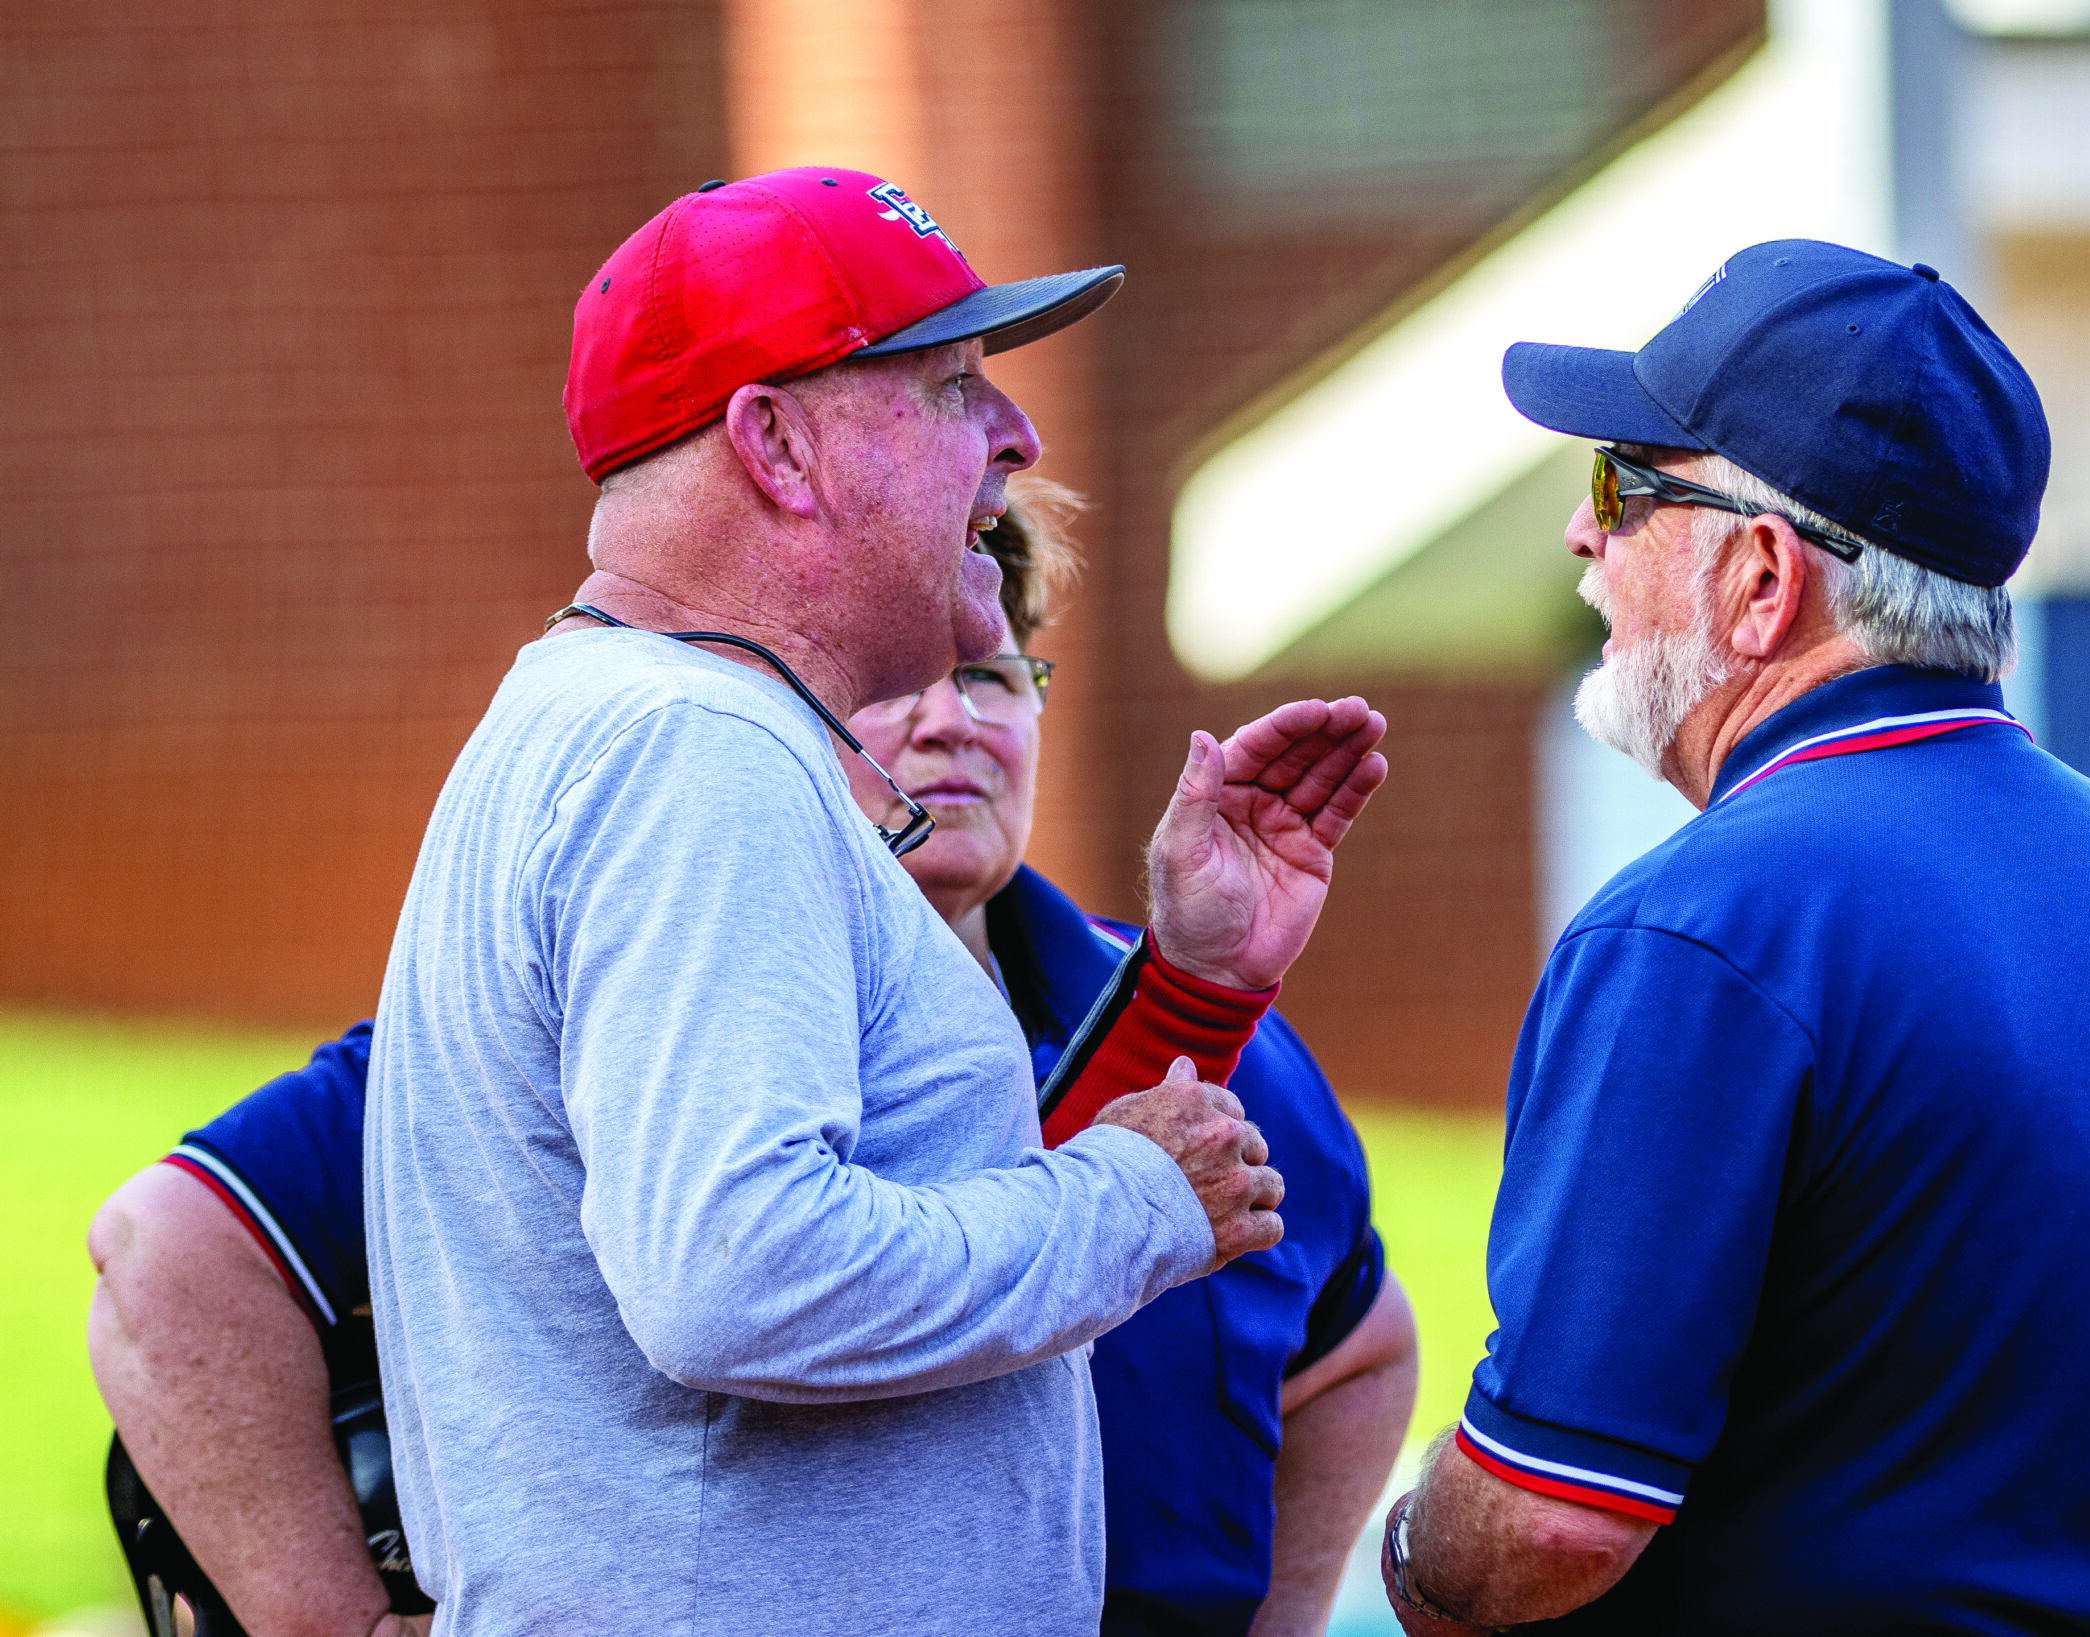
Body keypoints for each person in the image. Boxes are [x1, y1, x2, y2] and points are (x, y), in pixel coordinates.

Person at [87, 488, 1417, 1637]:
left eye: (998, 678)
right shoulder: (620, 1006)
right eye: (898, 692)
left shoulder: (1200, 1005)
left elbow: (1356, 1350)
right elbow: (170, 1260)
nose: (954, 723)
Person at [377, 166, 1382, 1634]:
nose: (1018, 435)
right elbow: (737, 1275)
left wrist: (1189, 987)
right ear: (777, 443)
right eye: (953, 386)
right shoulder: (693, 752)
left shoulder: (637, 724)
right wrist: (1131, 1202)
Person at [1378, 242, 2090, 1634]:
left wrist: (1402, 1552)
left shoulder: (1705, 924)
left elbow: (1549, 1517)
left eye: (1621, 489)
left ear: (1761, 578)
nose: (1585, 538)